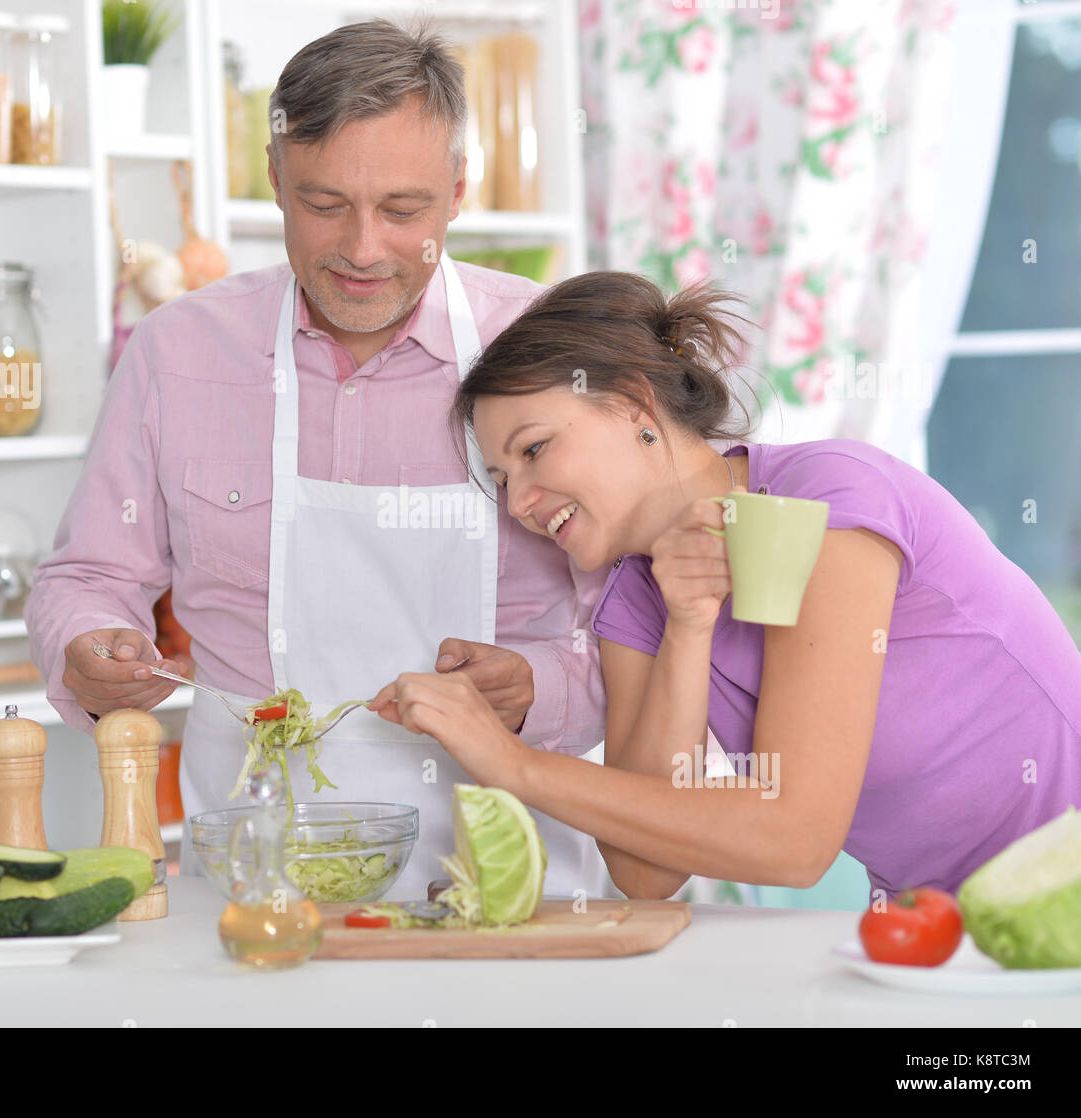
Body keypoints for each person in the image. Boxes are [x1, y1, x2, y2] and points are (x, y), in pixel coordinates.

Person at [23, 20, 611, 896]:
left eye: (404, 210)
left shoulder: (554, 352)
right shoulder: (179, 351)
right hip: (255, 881)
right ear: (275, 181)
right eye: (325, 204)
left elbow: (646, 632)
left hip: (509, 881)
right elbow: (84, 576)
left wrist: (539, 688)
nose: (363, 249)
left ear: (458, 191)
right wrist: (87, 646)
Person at [368, 270, 1081, 900]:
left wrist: (513, 766)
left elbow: (797, 839)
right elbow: (645, 875)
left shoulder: (826, 502)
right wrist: (687, 626)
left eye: (533, 450)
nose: (518, 501)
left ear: (634, 408)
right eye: (501, 477)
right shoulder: (634, 601)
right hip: (952, 929)